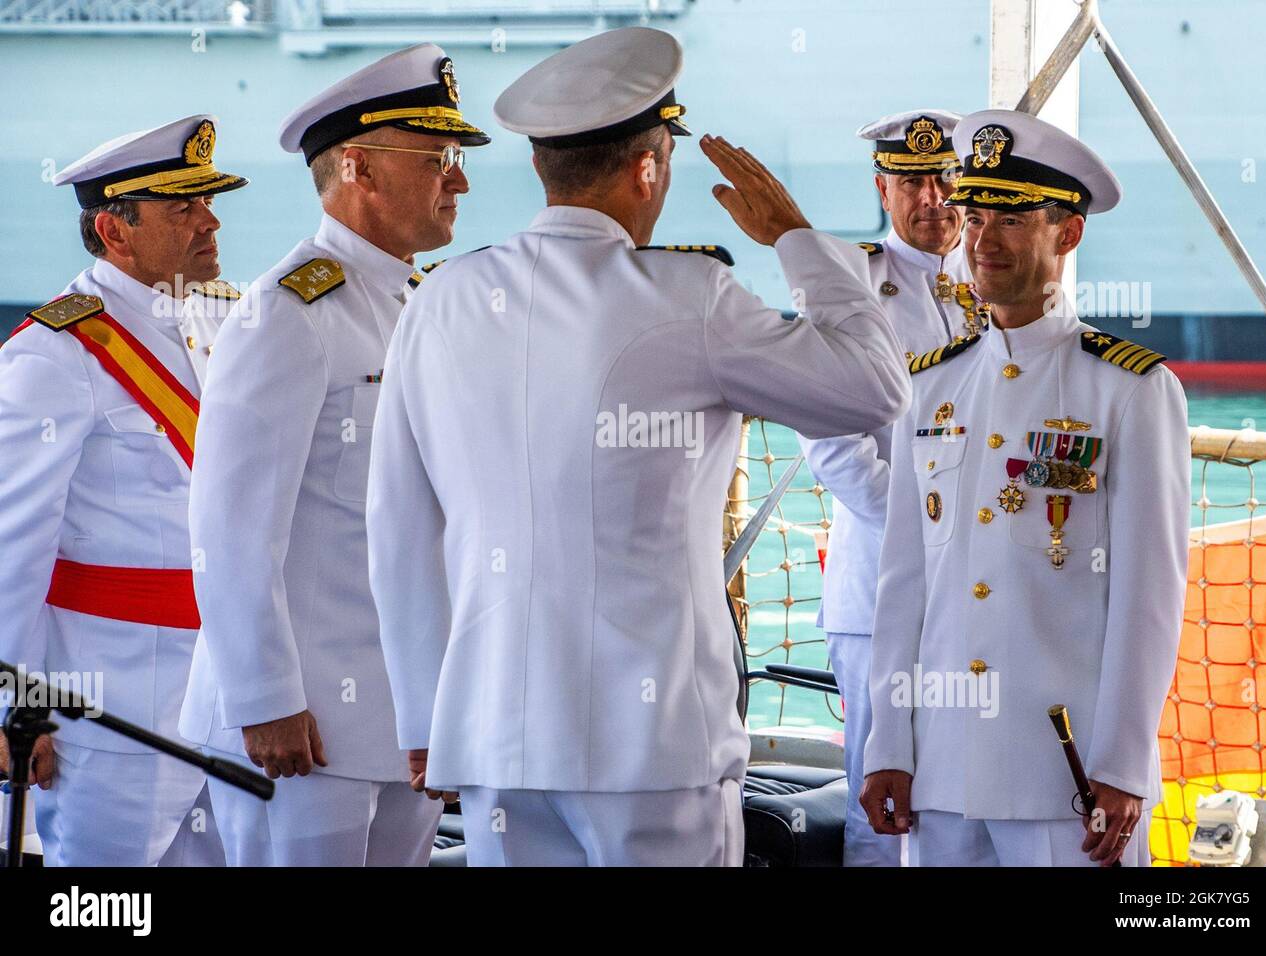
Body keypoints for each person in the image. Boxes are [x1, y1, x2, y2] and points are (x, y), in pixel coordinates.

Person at [367, 26, 912, 867]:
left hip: (492, 739)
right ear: (649, 167)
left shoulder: (442, 299)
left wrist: (423, 721)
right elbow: (875, 387)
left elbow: (398, 528)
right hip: (653, 749)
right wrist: (798, 239)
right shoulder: (691, 297)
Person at [178, 43, 489, 866]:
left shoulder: (416, 305)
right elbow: (231, 525)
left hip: (409, 721)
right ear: (358, 166)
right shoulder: (286, 312)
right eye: (439, 160)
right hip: (304, 730)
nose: (459, 181)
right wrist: (264, 697)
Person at [860, 109, 1189, 867]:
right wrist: (890, 741)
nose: (982, 240)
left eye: (1010, 218)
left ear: (1067, 235)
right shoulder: (931, 386)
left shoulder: (1129, 392)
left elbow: (1149, 597)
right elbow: (903, 582)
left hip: (1063, 778)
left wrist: (1123, 766)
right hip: (940, 770)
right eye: (975, 215)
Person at [0, 115, 246, 865]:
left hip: (231, 689)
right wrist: (17, 707)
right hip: (112, 704)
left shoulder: (227, 319)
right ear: (115, 230)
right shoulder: (54, 353)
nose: (211, 222)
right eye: (185, 208)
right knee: (110, 905)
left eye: (208, 202)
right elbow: (13, 545)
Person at [797, 108, 971, 867]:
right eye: (912, 181)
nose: (933, 196)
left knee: (971, 788)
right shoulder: (854, 293)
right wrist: (930, 536)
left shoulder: (998, 284)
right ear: (882, 189)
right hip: (880, 597)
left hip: (981, 597)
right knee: (884, 805)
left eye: (946, 179)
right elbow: (834, 452)